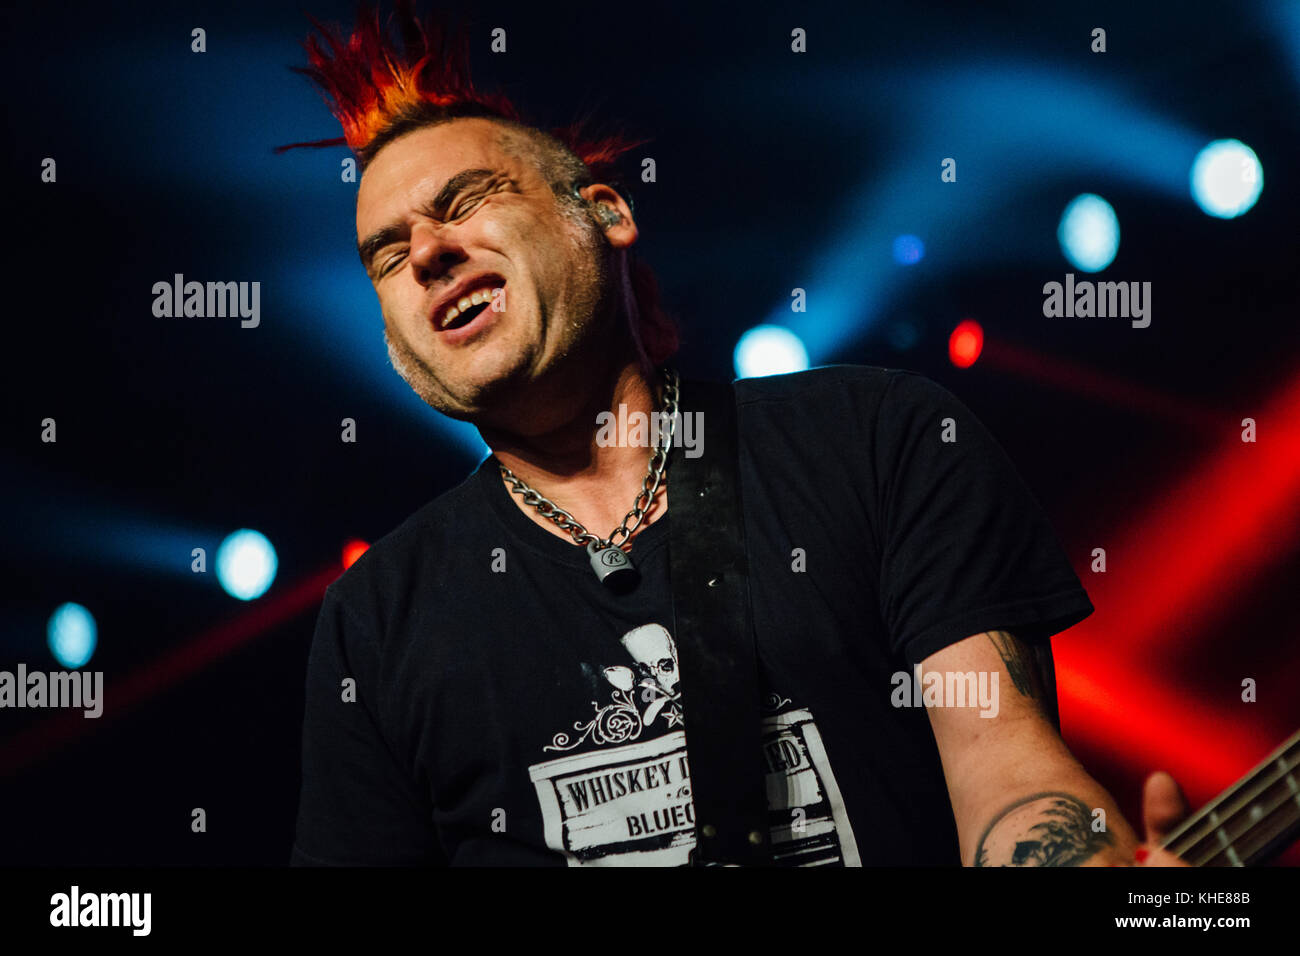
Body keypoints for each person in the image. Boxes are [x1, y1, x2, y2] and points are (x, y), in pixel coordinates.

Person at [283, 3, 1189, 867]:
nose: (430, 253)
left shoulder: (876, 442)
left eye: (467, 200)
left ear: (605, 214)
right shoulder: (378, 618)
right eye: (390, 257)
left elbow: (1009, 774)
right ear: (398, 348)